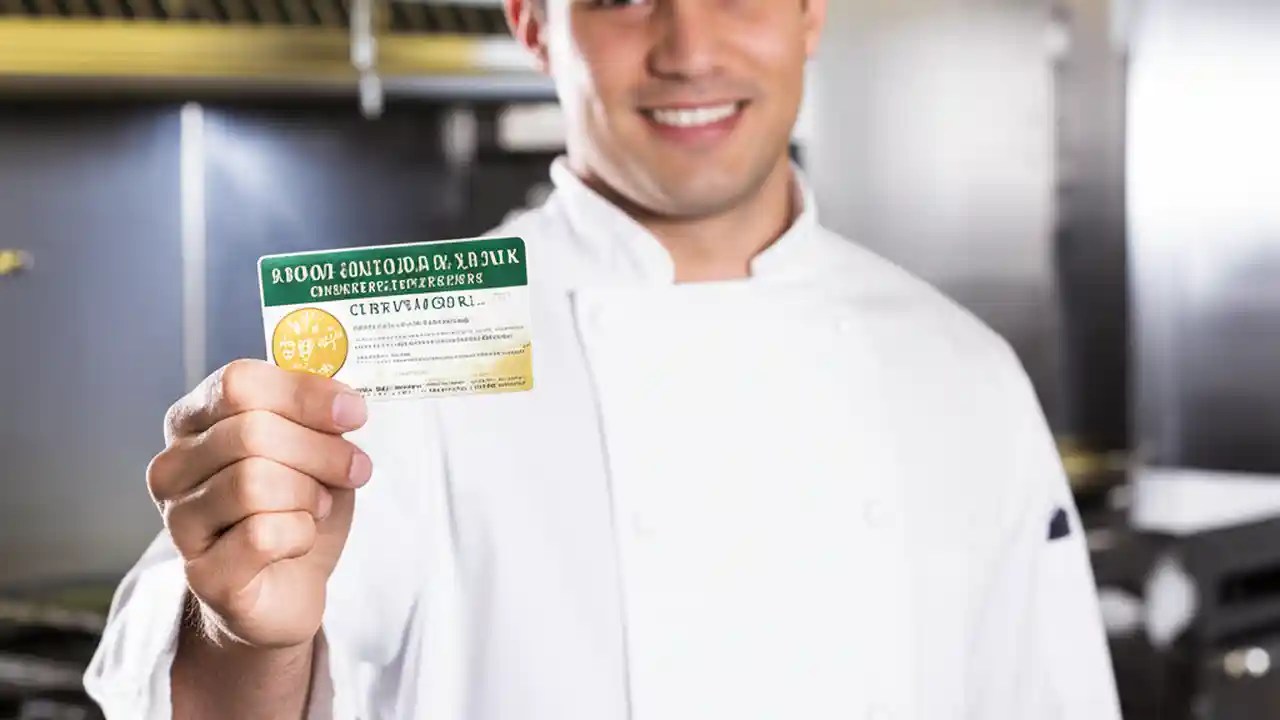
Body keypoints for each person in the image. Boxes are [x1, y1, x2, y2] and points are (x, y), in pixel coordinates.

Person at [86, 0, 1123, 718]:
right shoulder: (408, 351)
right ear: (533, 22)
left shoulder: (960, 372)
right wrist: (241, 636)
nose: (688, 48)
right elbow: (187, 700)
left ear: (811, 10)